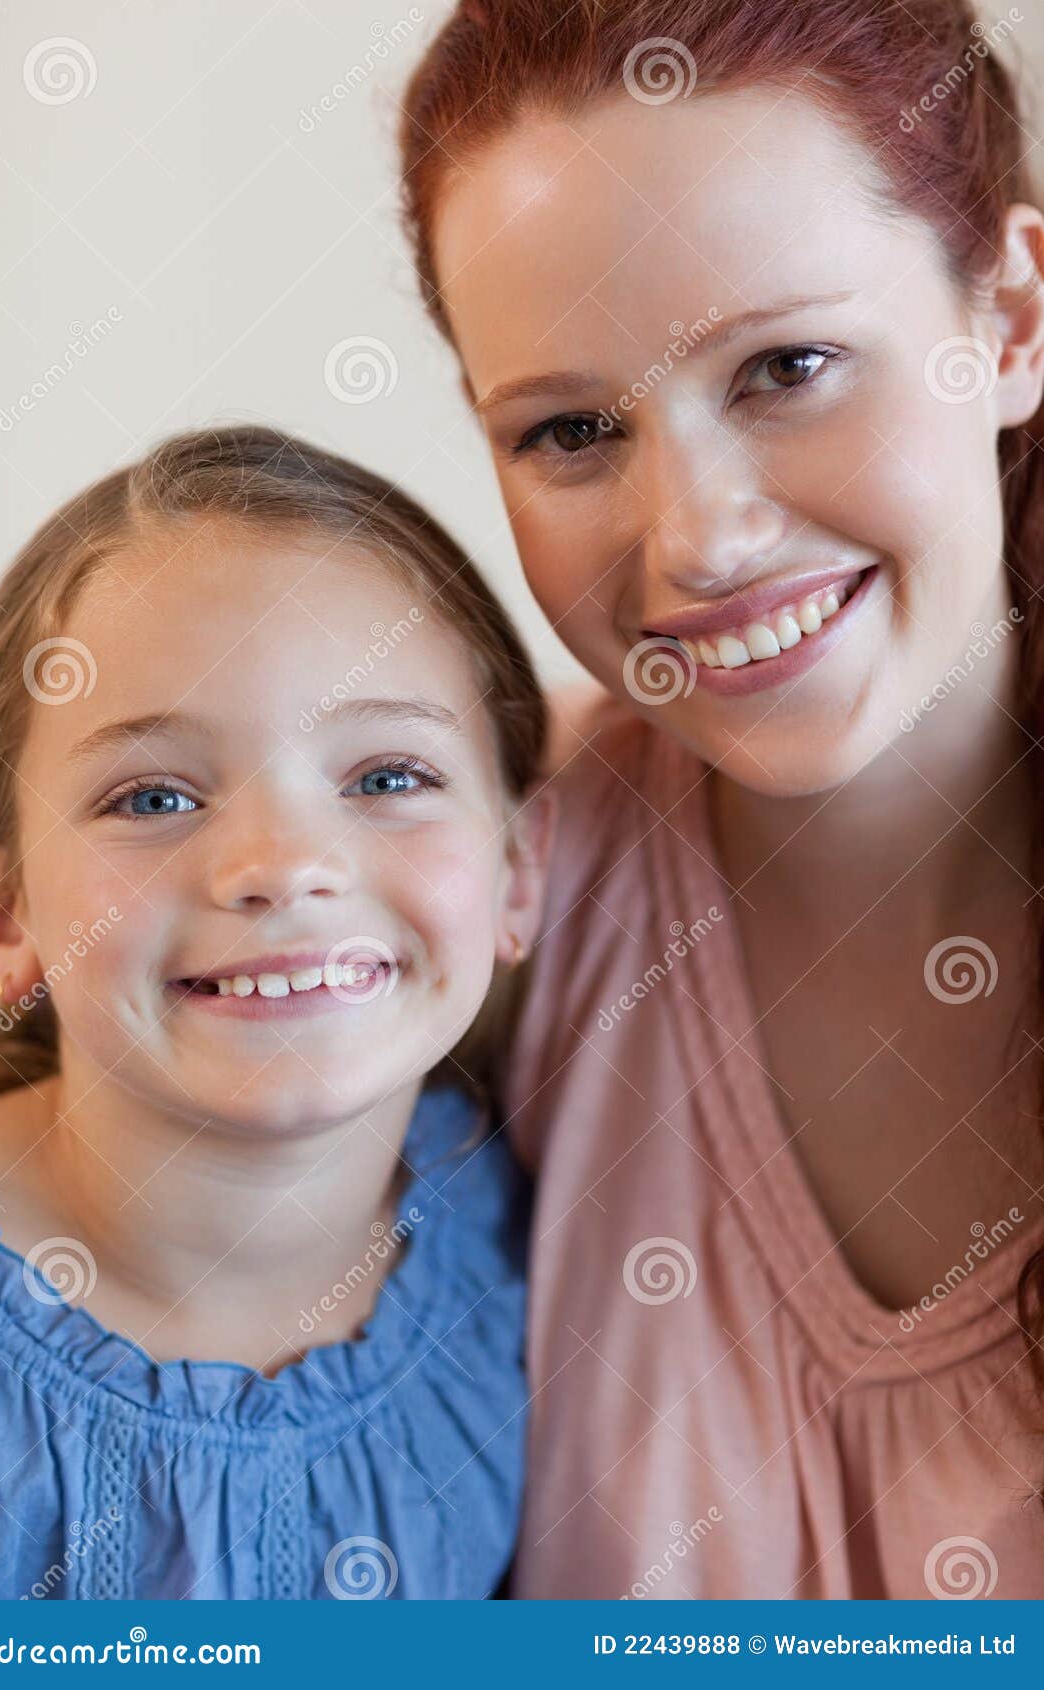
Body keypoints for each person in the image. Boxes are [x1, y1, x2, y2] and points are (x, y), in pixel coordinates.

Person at [398, 0, 1044, 1596]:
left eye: (786, 367)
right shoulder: (471, 866)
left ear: (1011, 318)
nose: (695, 540)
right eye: (570, 429)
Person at [0, 424, 554, 1599]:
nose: (284, 865)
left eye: (387, 776)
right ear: (1, 915)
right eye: (152, 795)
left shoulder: (522, 1249)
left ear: (518, 873)